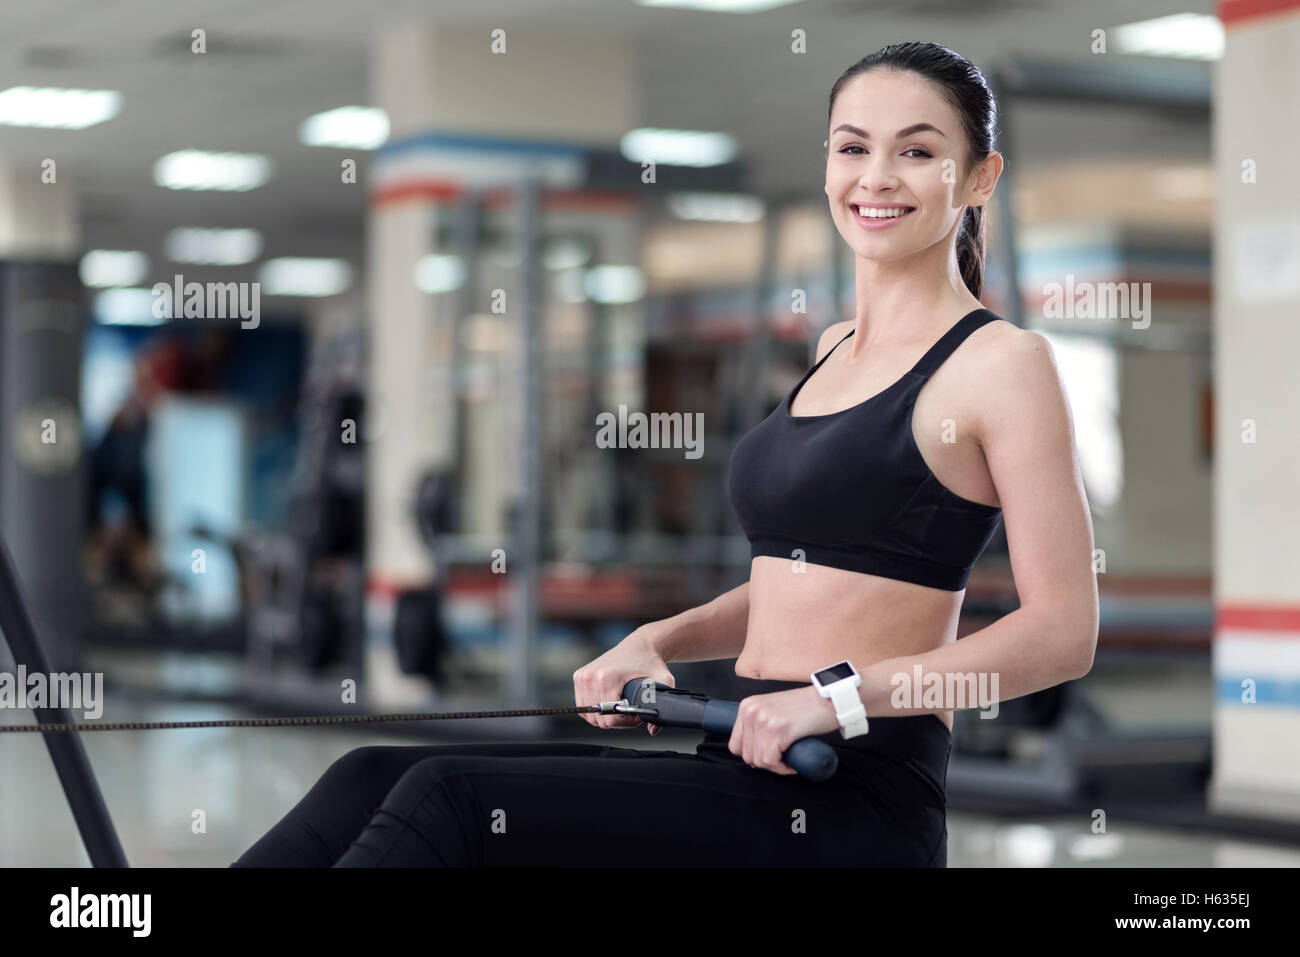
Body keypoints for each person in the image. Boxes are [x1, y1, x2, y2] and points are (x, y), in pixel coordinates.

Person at [232, 40, 1097, 868]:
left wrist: (838, 698)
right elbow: (800, 581)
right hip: (742, 758)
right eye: (851, 147)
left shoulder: (1001, 363)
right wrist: (656, 638)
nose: (875, 176)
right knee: (366, 775)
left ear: (979, 176)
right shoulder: (833, 348)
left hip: (854, 794)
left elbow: (1062, 632)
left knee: (448, 795)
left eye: (916, 151)